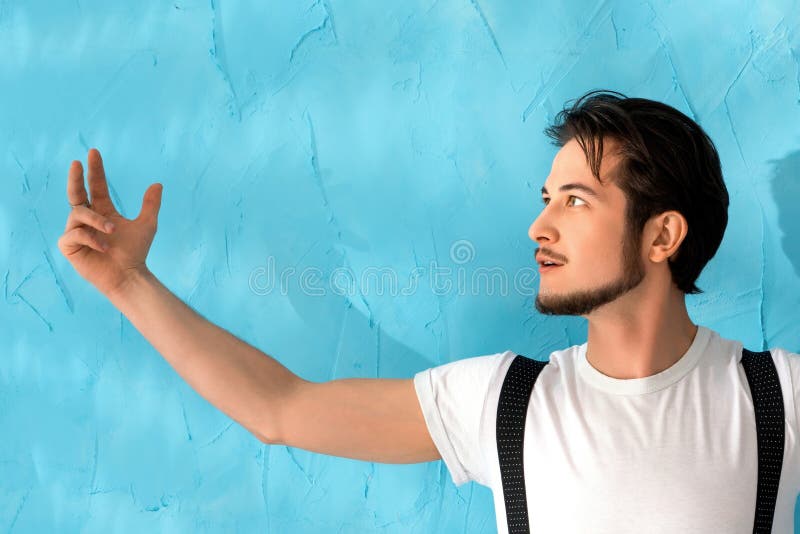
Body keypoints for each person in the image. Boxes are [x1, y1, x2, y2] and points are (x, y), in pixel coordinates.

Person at [58, 89, 799, 533]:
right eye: (546, 200)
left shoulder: (780, 400)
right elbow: (279, 408)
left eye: (576, 201)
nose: (540, 228)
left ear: (663, 235)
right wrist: (130, 285)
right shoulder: (505, 405)